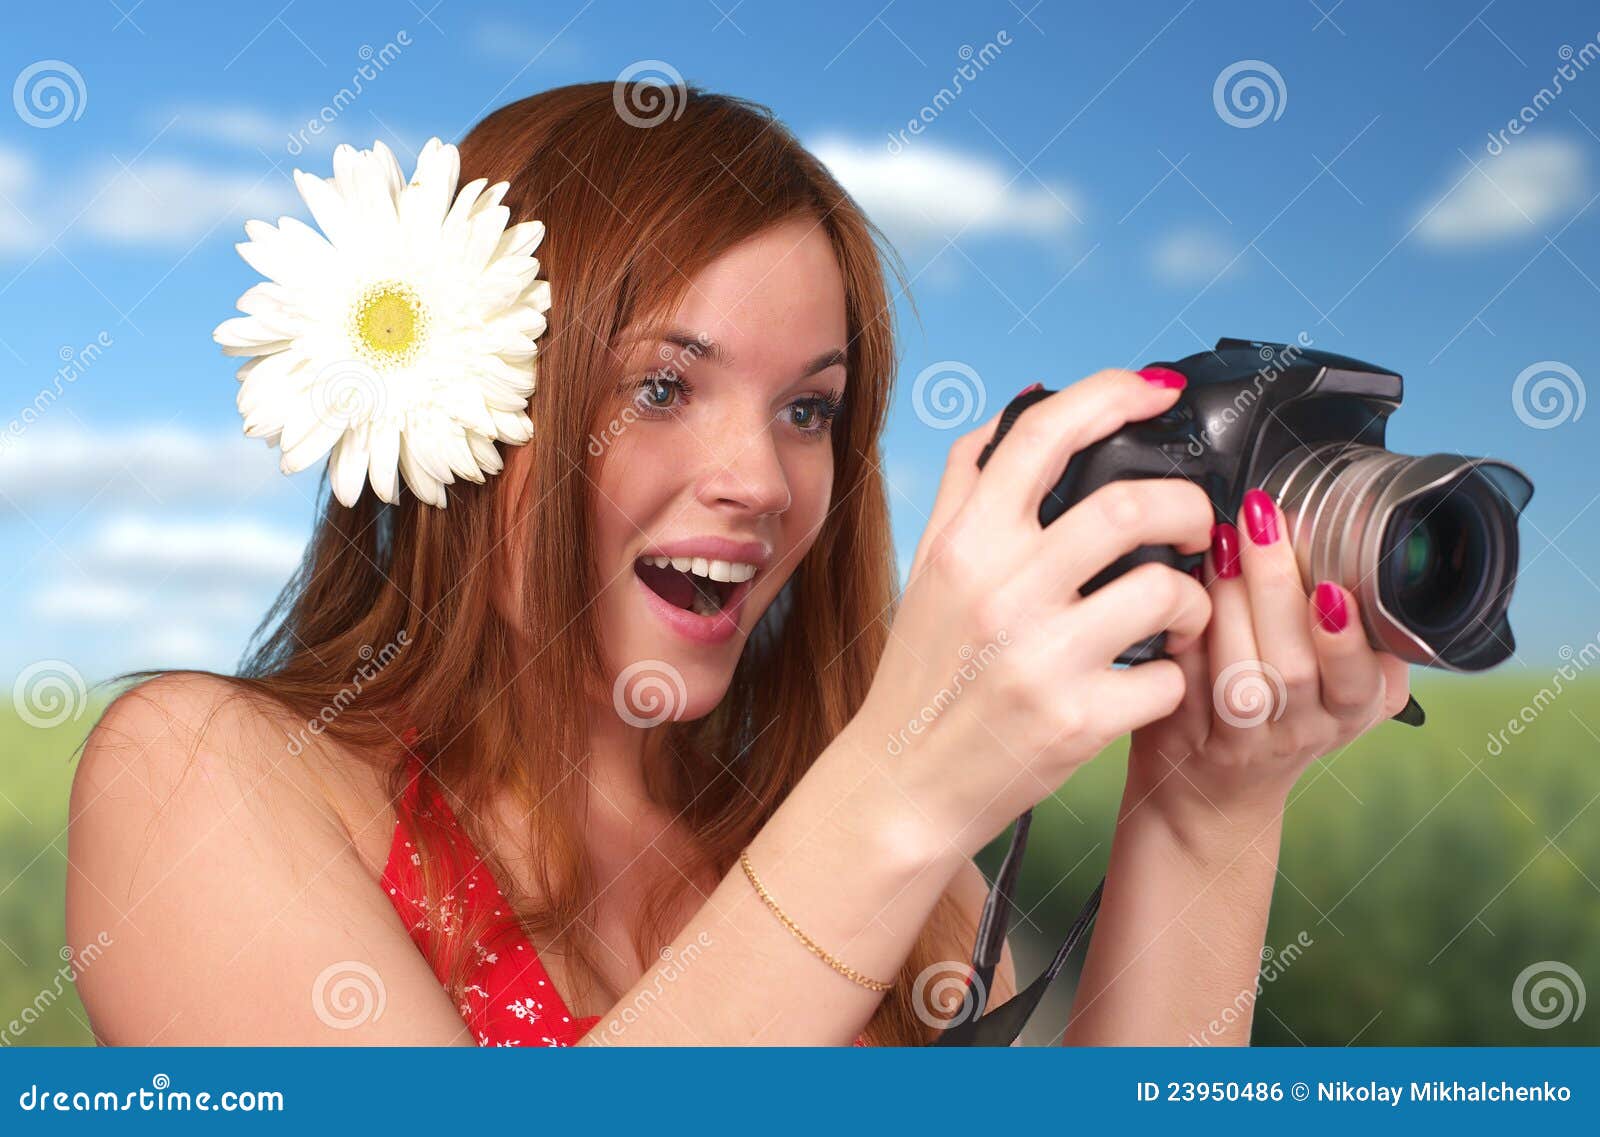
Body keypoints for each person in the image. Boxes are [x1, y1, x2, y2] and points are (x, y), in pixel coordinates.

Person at [65, 82, 1410, 1047]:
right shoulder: (199, 777)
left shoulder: (905, 876)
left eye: (808, 410)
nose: (762, 483)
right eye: (663, 386)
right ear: (473, 407)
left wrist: (1210, 806)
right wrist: (904, 780)